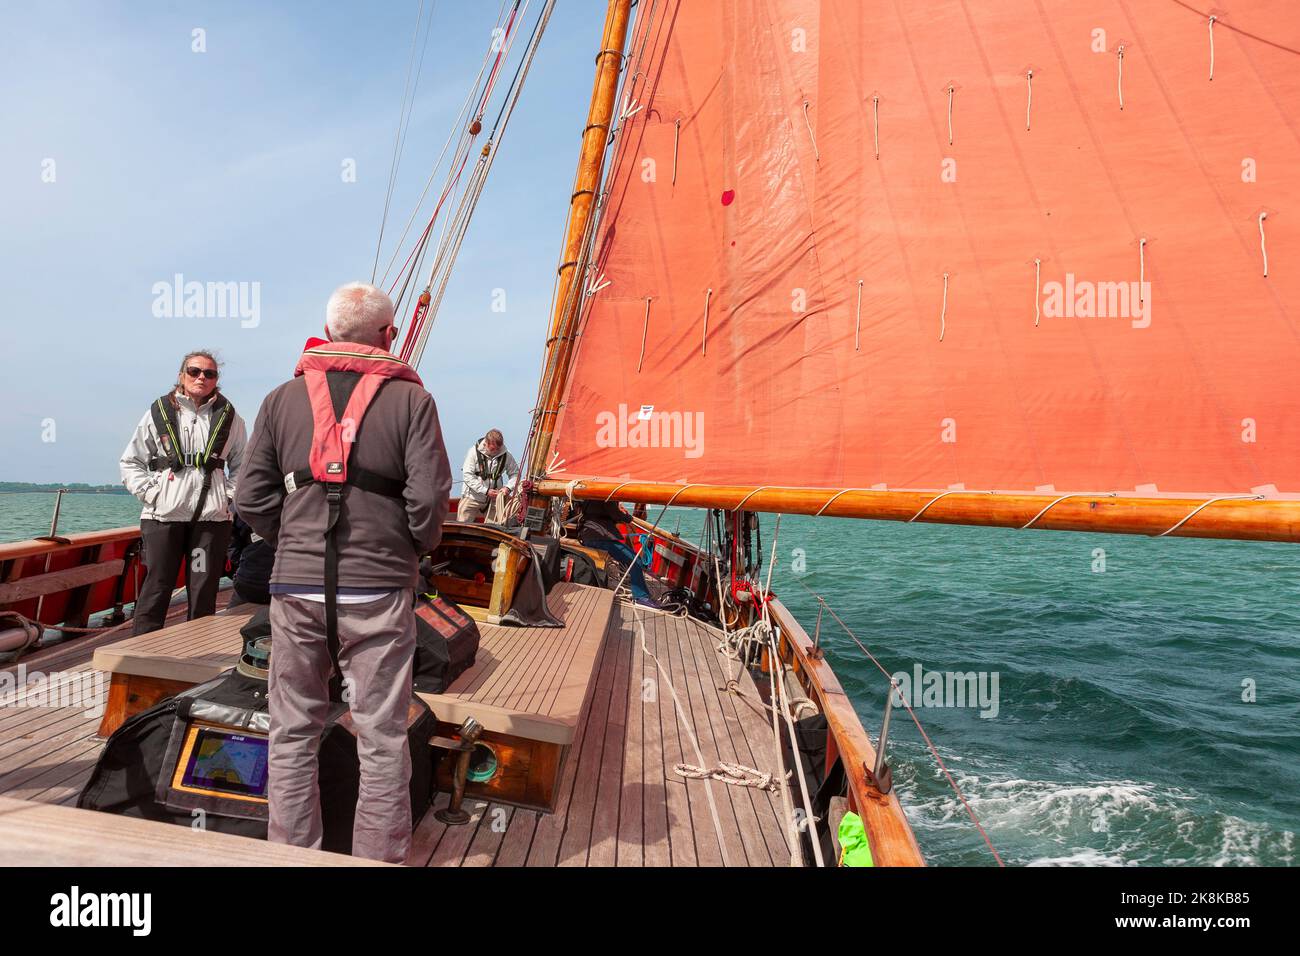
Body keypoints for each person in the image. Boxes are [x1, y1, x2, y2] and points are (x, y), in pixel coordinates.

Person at [235, 282, 451, 863]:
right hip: (378, 590)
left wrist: (294, 541)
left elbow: (250, 496)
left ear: (328, 332)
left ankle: (291, 856)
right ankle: (377, 860)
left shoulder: (282, 399)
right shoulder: (413, 403)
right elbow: (429, 503)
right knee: (381, 737)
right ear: (390, 334)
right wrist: (408, 550)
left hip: (296, 590)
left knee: (291, 730)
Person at [120, 350, 247, 635]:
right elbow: (131, 462)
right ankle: (141, 656)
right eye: (194, 371)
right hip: (162, 518)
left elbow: (243, 466)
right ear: (181, 375)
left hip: (210, 522)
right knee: (157, 587)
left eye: (209, 373)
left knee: (203, 589)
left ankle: (198, 661)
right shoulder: (159, 413)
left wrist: (225, 497)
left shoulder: (230, 418)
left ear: (216, 380)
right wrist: (153, 494)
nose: (201, 377)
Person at [457, 429, 518, 524]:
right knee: (462, 527)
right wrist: (485, 491)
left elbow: (515, 474)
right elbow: (467, 476)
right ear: (485, 444)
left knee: (494, 530)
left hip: (494, 500)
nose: (496, 452)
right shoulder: (473, 452)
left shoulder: (506, 455)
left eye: (499, 449)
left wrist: (508, 488)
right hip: (472, 497)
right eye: (493, 449)